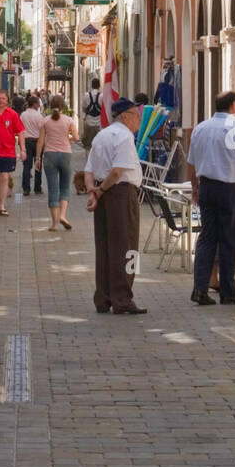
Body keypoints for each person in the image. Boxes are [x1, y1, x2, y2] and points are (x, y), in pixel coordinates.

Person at [188, 90, 235, 307]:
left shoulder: (200, 128)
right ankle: (228, 290)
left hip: (206, 187)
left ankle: (199, 289)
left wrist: (194, 188)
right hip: (229, 188)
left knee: (207, 237)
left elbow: (191, 162)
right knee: (229, 239)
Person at [84, 98, 146, 315]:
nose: (139, 119)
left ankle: (103, 296)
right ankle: (123, 297)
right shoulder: (125, 137)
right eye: (136, 114)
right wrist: (99, 191)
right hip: (121, 193)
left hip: (103, 193)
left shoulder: (102, 135)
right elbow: (118, 171)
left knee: (105, 246)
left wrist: (93, 191)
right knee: (128, 246)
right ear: (126, 116)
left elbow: (89, 169)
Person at [36, 92, 78, 231]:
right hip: (66, 154)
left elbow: (41, 141)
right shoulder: (69, 120)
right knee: (65, 187)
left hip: (49, 155)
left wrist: (37, 158)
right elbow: (76, 137)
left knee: (53, 188)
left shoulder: (45, 121)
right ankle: (63, 215)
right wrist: (68, 140)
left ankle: (54, 224)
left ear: (50, 106)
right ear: (63, 107)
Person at [20, 95, 45, 195]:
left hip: (26, 141)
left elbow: (20, 129)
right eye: (38, 103)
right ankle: (37, 188)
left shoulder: (23, 115)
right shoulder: (39, 116)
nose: (39, 105)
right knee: (38, 164)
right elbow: (42, 131)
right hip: (38, 142)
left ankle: (26, 189)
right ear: (34, 104)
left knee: (27, 166)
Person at [81, 77, 102, 150]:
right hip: (99, 124)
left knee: (88, 145)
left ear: (91, 85)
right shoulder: (102, 96)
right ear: (99, 85)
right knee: (99, 145)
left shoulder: (86, 95)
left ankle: (88, 159)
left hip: (89, 122)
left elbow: (83, 109)